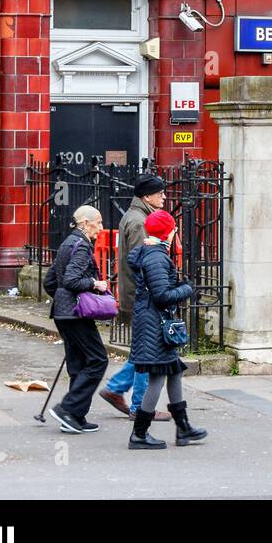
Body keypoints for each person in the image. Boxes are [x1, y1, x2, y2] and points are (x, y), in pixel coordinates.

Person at [127, 209, 208, 450]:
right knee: (157, 377)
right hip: (155, 322)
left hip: (151, 321)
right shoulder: (156, 257)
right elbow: (162, 295)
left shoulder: (151, 253)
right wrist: (186, 288)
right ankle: (139, 434)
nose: (175, 232)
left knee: (173, 371)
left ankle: (183, 428)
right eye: (174, 229)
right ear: (169, 232)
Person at [99, 173, 170, 422]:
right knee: (147, 354)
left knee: (141, 349)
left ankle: (115, 388)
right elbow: (145, 264)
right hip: (143, 297)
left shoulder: (135, 215)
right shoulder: (141, 222)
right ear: (146, 196)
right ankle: (139, 407)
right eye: (159, 192)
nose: (164, 196)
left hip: (136, 295)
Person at [46, 205, 111, 434]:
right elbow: (72, 280)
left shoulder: (66, 244)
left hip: (63, 313)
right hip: (76, 313)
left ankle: (75, 417)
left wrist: (62, 300)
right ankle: (68, 408)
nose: (101, 228)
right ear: (84, 223)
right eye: (99, 222)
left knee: (78, 363)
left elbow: (50, 282)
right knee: (98, 359)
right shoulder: (82, 246)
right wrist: (95, 284)